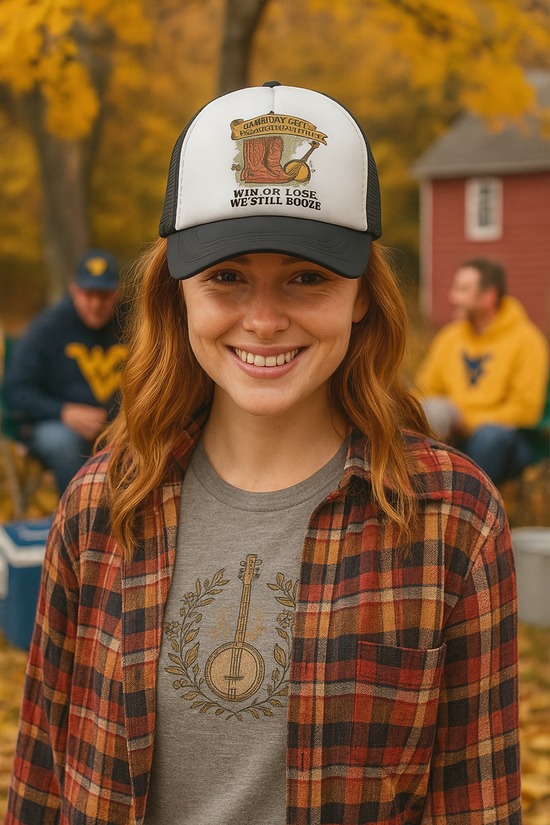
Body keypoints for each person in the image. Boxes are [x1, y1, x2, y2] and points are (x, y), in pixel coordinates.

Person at [7, 84, 520, 825]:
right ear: (177, 291)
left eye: (307, 277)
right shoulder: (100, 505)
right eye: (227, 276)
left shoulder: (452, 520)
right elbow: (41, 787)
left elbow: (476, 802)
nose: (265, 319)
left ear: (362, 296)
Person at [3, 249, 128, 492]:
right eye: (88, 294)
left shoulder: (136, 324)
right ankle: (75, 520)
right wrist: (65, 412)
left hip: (121, 425)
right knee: (62, 443)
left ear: (117, 293)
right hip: (57, 425)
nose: (95, 304)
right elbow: (15, 391)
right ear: (73, 290)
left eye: (104, 295)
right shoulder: (47, 328)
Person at [416, 258, 549, 485]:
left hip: (509, 442)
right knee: (426, 413)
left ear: (489, 296)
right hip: (456, 436)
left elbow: (526, 411)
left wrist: (465, 419)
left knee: (489, 436)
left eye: (464, 289)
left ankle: (470, 508)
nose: (453, 297)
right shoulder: (450, 338)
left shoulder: (528, 341)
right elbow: (423, 389)